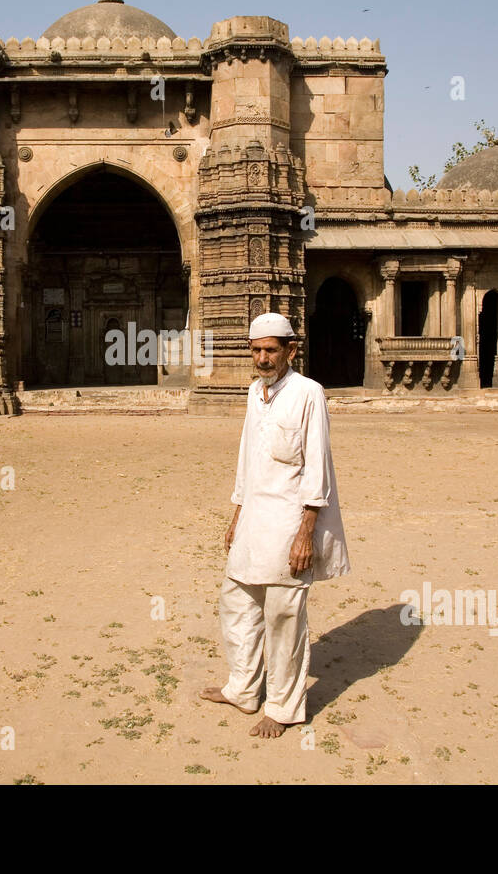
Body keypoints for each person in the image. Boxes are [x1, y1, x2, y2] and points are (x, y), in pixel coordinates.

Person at [200, 312, 350, 738]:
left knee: (284, 615)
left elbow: (317, 466)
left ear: (290, 351)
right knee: (237, 603)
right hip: (253, 519)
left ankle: (283, 709)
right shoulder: (255, 391)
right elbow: (247, 459)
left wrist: (306, 532)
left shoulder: (308, 394)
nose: (262, 358)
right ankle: (243, 689)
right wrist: (236, 515)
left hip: (289, 523)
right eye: (256, 350)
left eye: (270, 350)